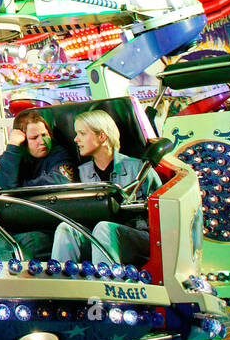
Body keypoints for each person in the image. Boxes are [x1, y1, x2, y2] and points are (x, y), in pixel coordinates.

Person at [51, 110, 161, 267]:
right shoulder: (82, 173)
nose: (76, 139)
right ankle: (61, 287)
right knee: (65, 229)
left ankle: (107, 284)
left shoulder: (139, 170)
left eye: (82, 133)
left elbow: (161, 210)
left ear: (102, 136)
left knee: (103, 228)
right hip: (99, 237)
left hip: (140, 238)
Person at [0, 110, 78, 262]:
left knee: (21, 245)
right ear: (23, 141)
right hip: (17, 228)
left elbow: (60, 181)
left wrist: (18, 189)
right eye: (34, 138)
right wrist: (13, 146)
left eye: (44, 135)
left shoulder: (59, 155)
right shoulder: (12, 157)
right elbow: (5, 185)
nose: (42, 141)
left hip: (51, 228)